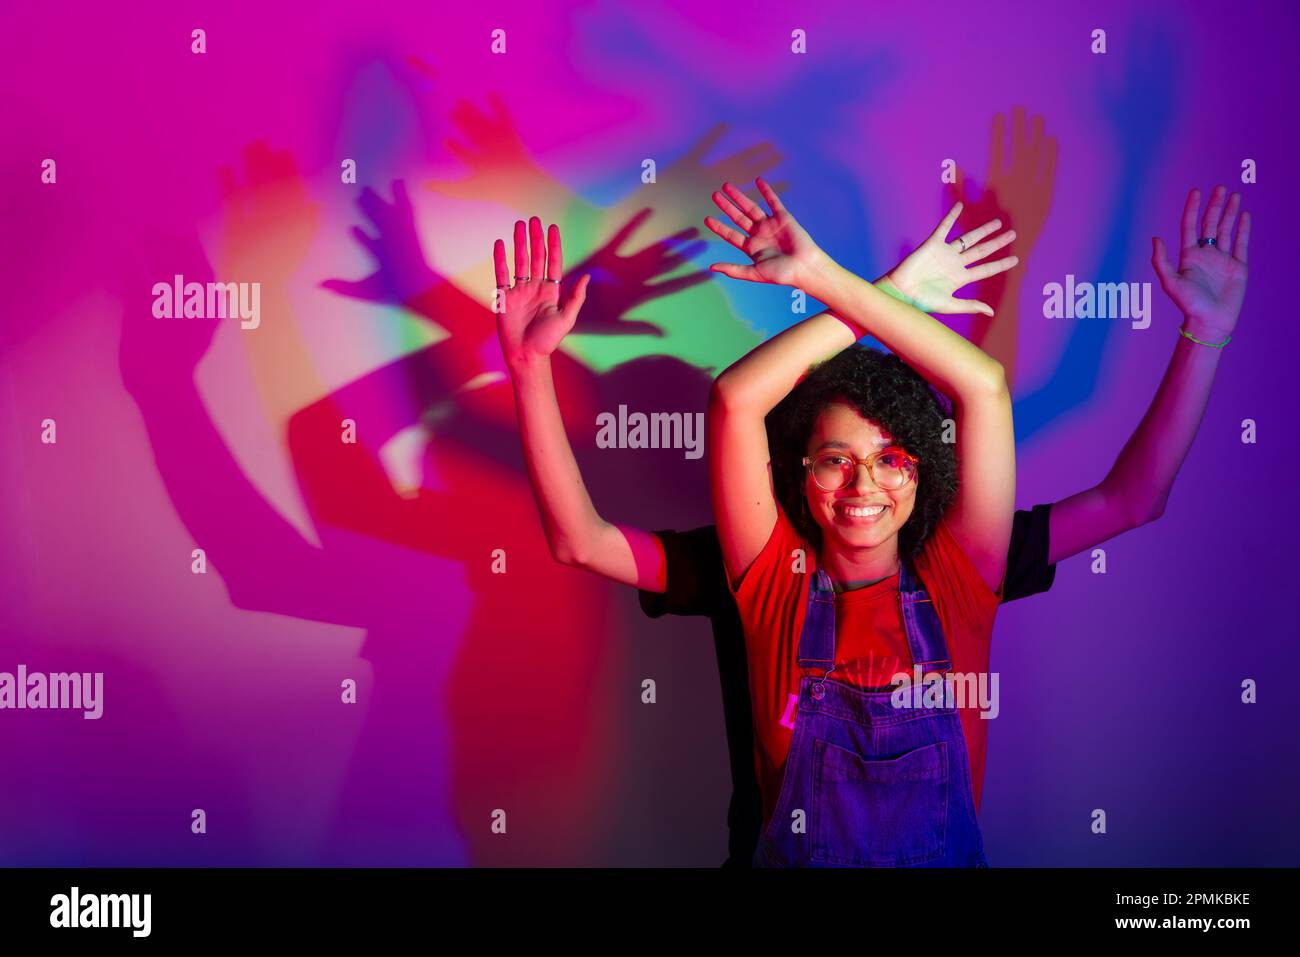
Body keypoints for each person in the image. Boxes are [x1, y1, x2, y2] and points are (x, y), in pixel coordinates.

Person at [496, 183, 1249, 866]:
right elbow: (721, 415)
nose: (865, 485)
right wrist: (530, 372)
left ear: (926, 474)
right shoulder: (764, 575)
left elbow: (1031, 423)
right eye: (835, 458)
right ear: (797, 471)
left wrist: (1205, 335)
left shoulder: (968, 570)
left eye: (893, 459)